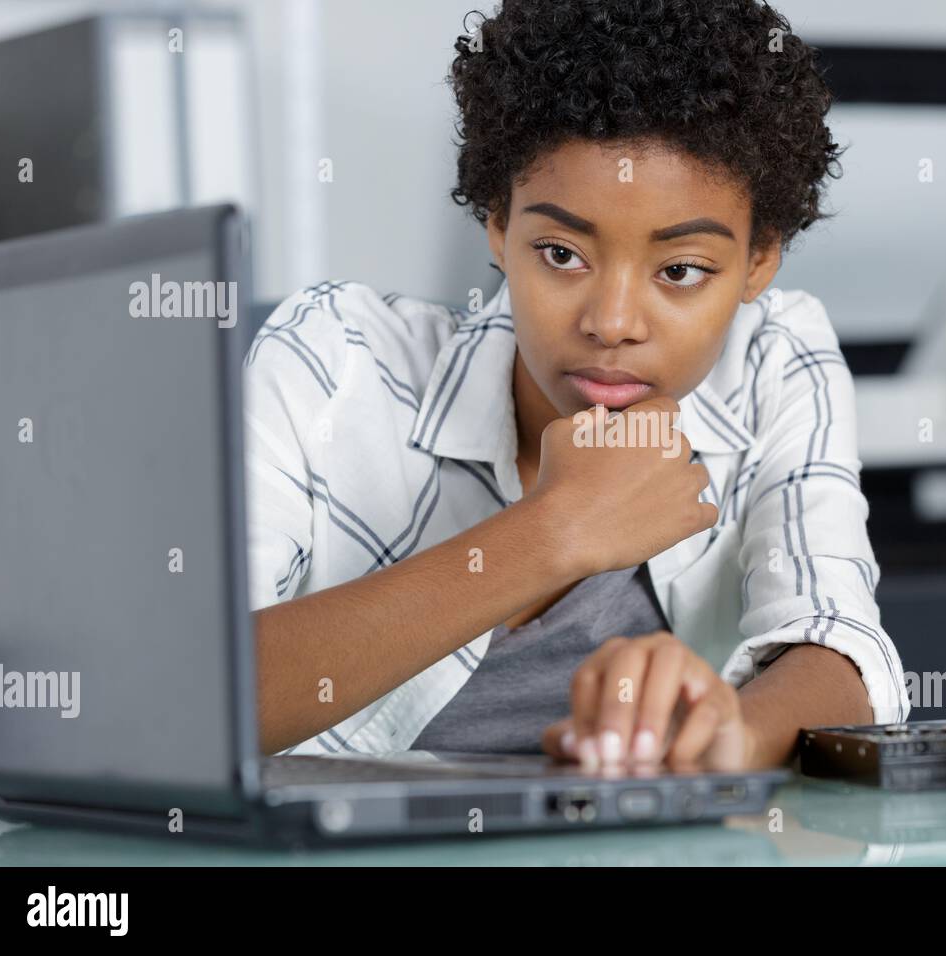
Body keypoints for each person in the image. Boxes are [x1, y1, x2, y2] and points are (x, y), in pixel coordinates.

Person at [244, 0, 909, 772]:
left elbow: (838, 645)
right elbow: (194, 699)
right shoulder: (330, 360)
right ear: (498, 222)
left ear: (760, 259)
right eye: (562, 254)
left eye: (681, 271)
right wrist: (557, 529)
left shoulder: (774, 361)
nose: (612, 322)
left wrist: (726, 734)